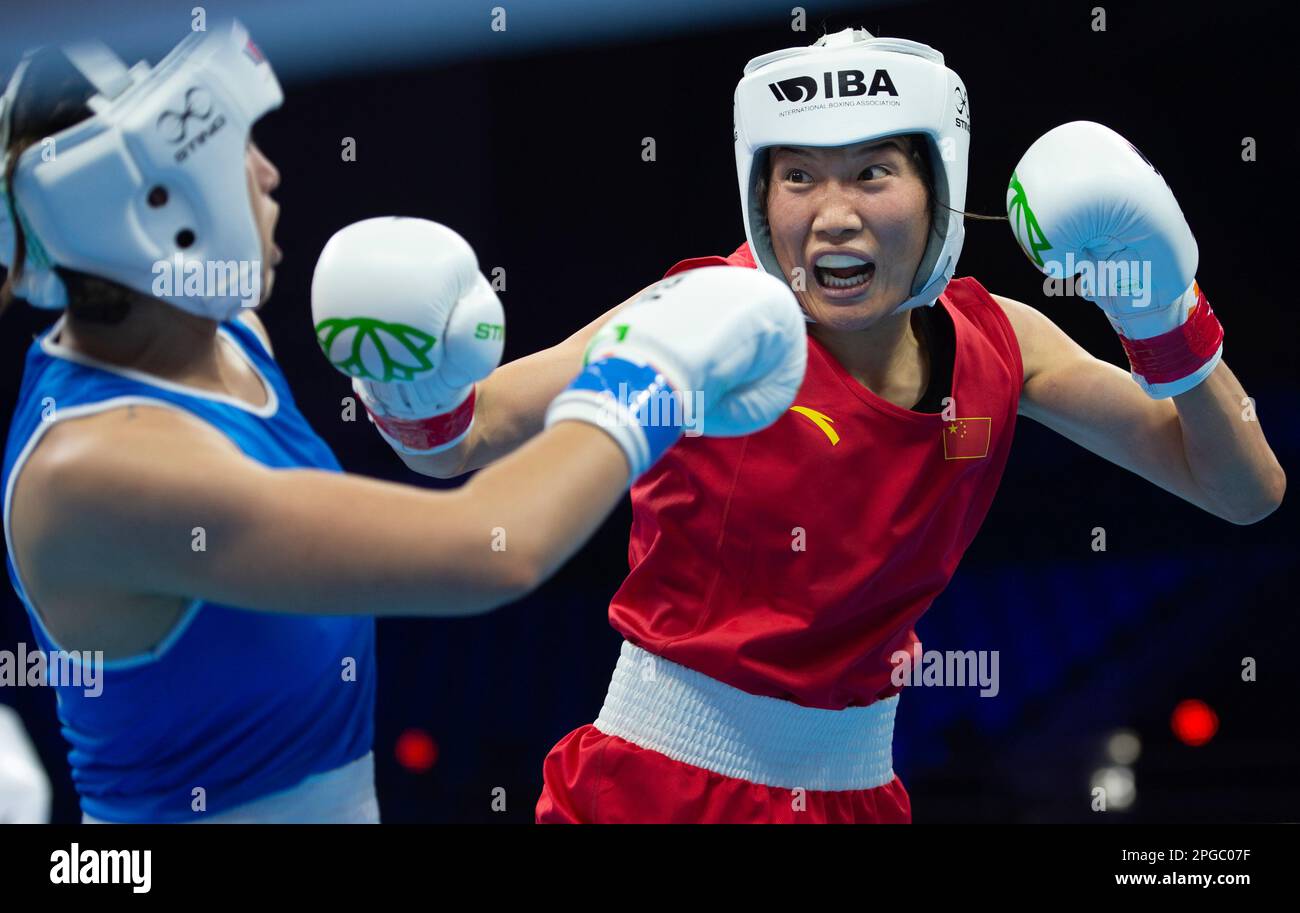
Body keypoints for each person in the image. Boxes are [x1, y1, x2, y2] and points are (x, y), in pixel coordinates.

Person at [380, 28, 1286, 823]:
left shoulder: (1001, 341)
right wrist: (399, 370)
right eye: (799, 176)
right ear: (760, 198)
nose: (834, 213)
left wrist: (1165, 315)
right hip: (653, 787)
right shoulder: (704, 312)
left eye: (872, 172)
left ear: (937, 187)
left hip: (863, 792)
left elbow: (1241, 490)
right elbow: (469, 434)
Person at [0, 21, 807, 823]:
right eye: (237, 151)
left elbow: (492, 433)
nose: (269, 172)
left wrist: (693, 299)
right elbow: (493, 548)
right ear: (161, 204)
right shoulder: (98, 470)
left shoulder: (216, 333)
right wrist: (654, 378)